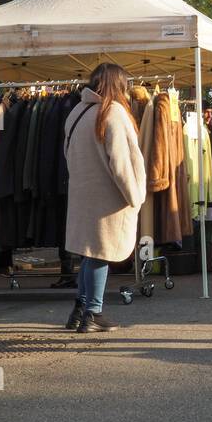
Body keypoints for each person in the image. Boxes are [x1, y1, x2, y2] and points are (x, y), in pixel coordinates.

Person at [64, 63, 147, 333]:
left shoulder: (78, 111)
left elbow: (68, 154)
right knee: (101, 253)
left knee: (90, 253)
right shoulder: (113, 112)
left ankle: (80, 309)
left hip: (82, 194)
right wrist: (135, 196)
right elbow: (122, 163)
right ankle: (93, 313)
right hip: (109, 198)